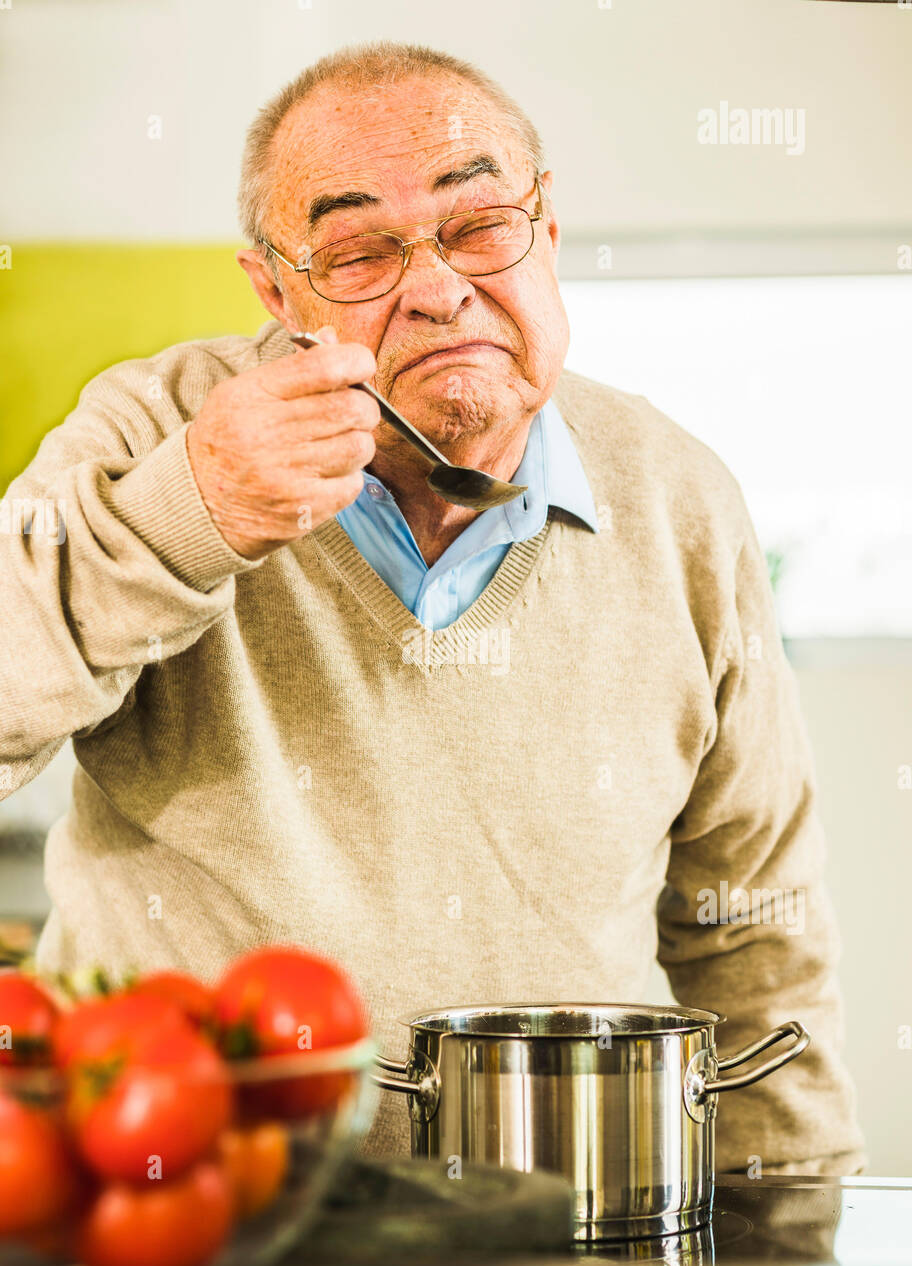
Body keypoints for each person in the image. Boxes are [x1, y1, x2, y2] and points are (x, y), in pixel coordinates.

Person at [0, 41, 865, 1173]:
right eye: (359, 250)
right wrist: (193, 510)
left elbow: (758, 931)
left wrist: (793, 1223)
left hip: (557, 1219)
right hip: (187, 1206)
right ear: (275, 290)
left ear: (546, 234)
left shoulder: (681, 496)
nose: (439, 286)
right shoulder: (152, 427)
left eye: (479, 225)